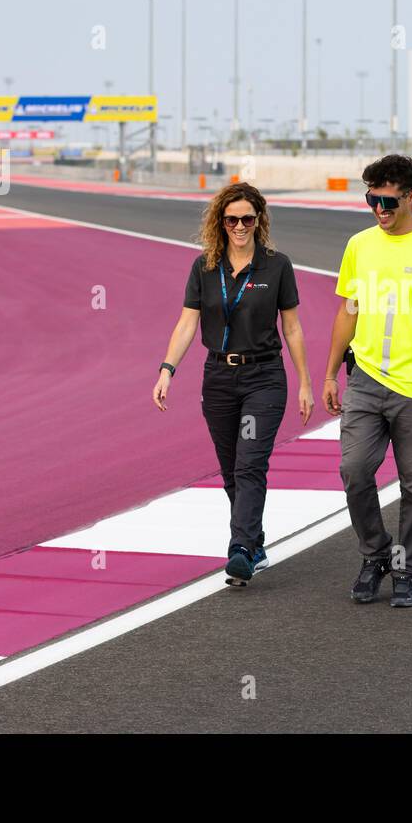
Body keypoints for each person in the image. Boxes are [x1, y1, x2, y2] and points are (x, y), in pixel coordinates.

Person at [323, 154, 412, 608]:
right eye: (372, 200)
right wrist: (330, 372)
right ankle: (375, 554)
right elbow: (348, 312)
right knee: (354, 471)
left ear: (410, 196)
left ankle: (407, 568)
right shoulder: (360, 245)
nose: (379, 210)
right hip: (365, 380)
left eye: (388, 200)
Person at [153, 182, 313, 586]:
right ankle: (254, 540)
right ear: (220, 222)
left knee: (249, 463)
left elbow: (292, 329)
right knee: (230, 470)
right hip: (219, 378)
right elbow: (188, 322)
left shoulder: (277, 266)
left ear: (258, 221)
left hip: (264, 378)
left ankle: (240, 549)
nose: (239, 226)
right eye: (231, 219)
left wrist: (306, 383)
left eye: (247, 219)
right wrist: (167, 369)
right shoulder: (205, 267)